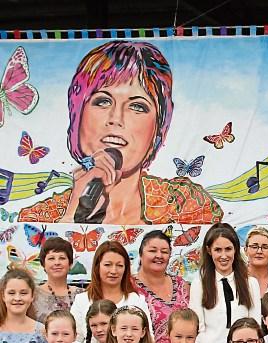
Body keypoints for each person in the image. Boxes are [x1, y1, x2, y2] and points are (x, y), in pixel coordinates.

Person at [19, 41, 222, 225]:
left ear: (158, 128)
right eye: (103, 101)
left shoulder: (185, 204)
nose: (116, 118)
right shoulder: (39, 218)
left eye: (137, 107)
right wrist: (72, 214)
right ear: (77, 114)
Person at [71, 241, 150, 343]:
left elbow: (149, 339)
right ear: (97, 266)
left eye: (119, 265)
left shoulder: (136, 300)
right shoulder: (82, 300)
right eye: (108, 265)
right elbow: (73, 340)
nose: (113, 271)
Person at [135, 230, 191, 343]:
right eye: (153, 251)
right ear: (141, 254)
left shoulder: (181, 284)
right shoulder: (129, 287)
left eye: (164, 252)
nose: (159, 255)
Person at [32, 237, 82, 322]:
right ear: (43, 264)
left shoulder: (82, 295)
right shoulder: (33, 295)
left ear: (70, 264)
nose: (57, 263)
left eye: (62, 258)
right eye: (51, 258)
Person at [244, 227, 268, 296]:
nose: (259, 251)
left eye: (265, 247)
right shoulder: (235, 279)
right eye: (254, 247)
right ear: (245, 250)